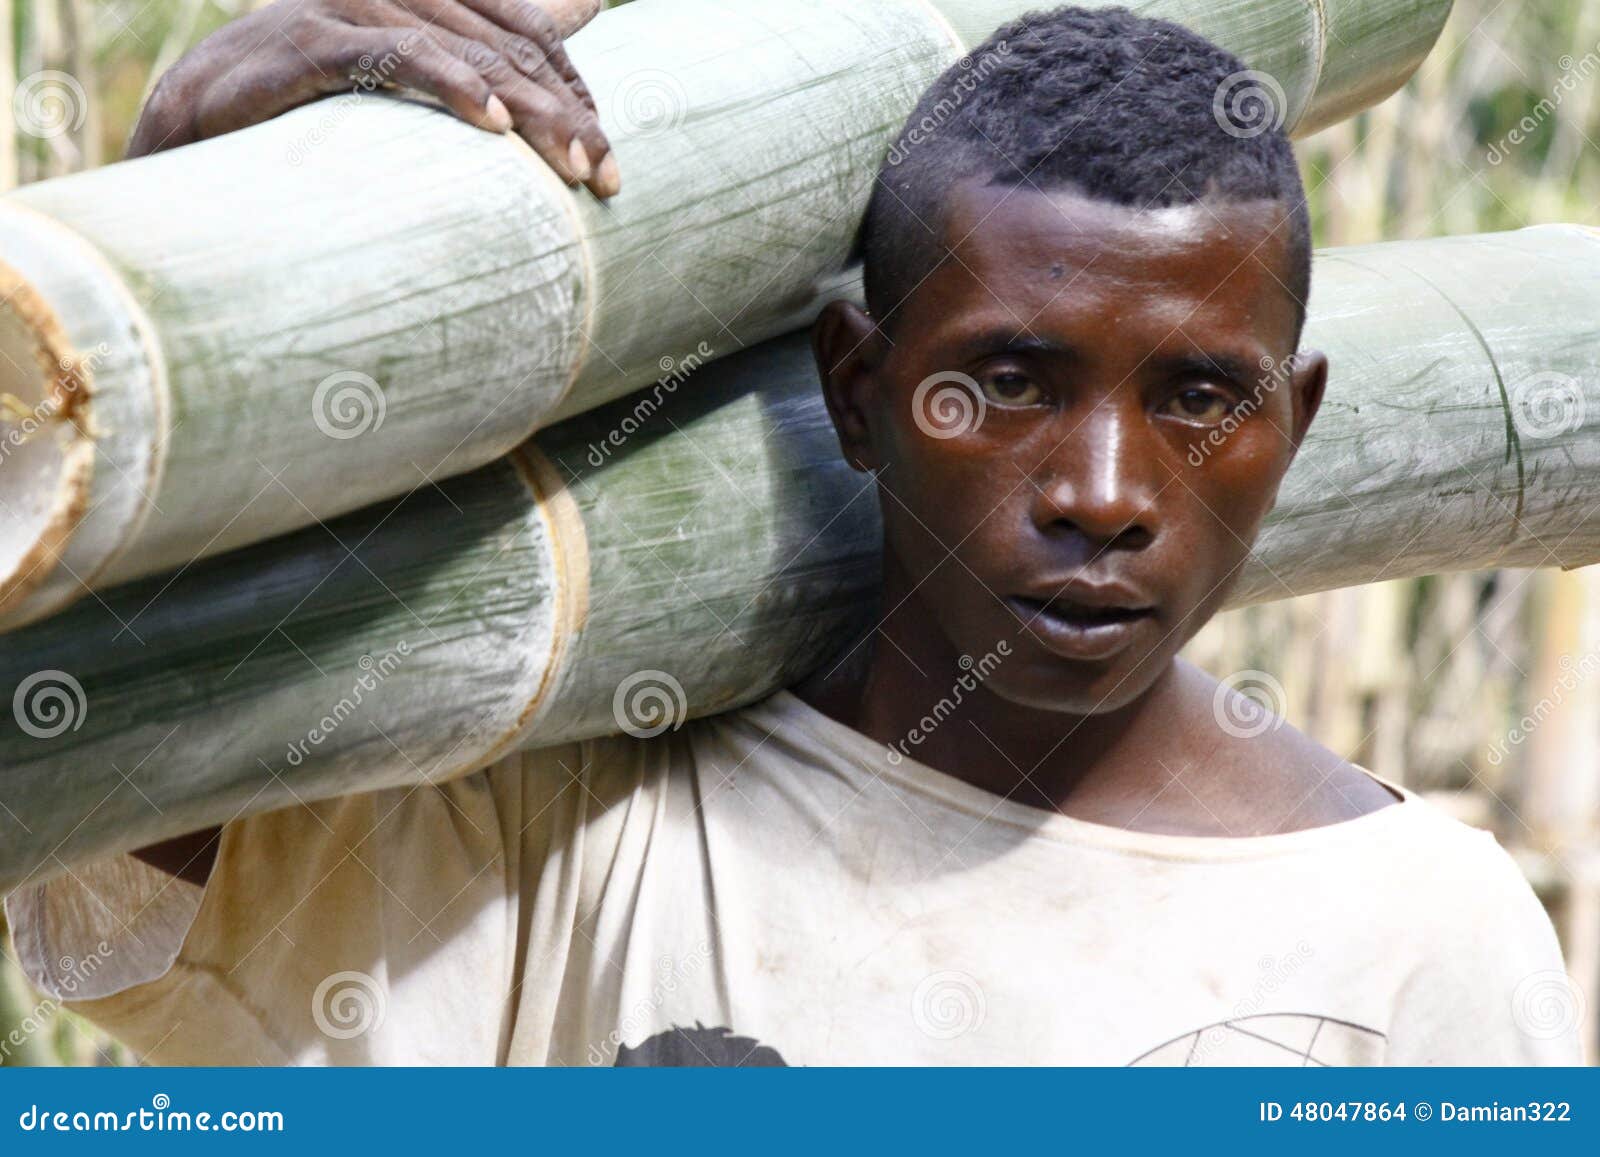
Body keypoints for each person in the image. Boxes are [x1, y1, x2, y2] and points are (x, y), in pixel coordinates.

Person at [8, 0, 1582, 1066]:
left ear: (1292, 423)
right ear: (857, 385)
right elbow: (137, 791)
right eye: (1009, 381)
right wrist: (199, 218)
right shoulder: (576, 832)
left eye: (1198, 397)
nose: (1103, 488)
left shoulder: (1420, 949)